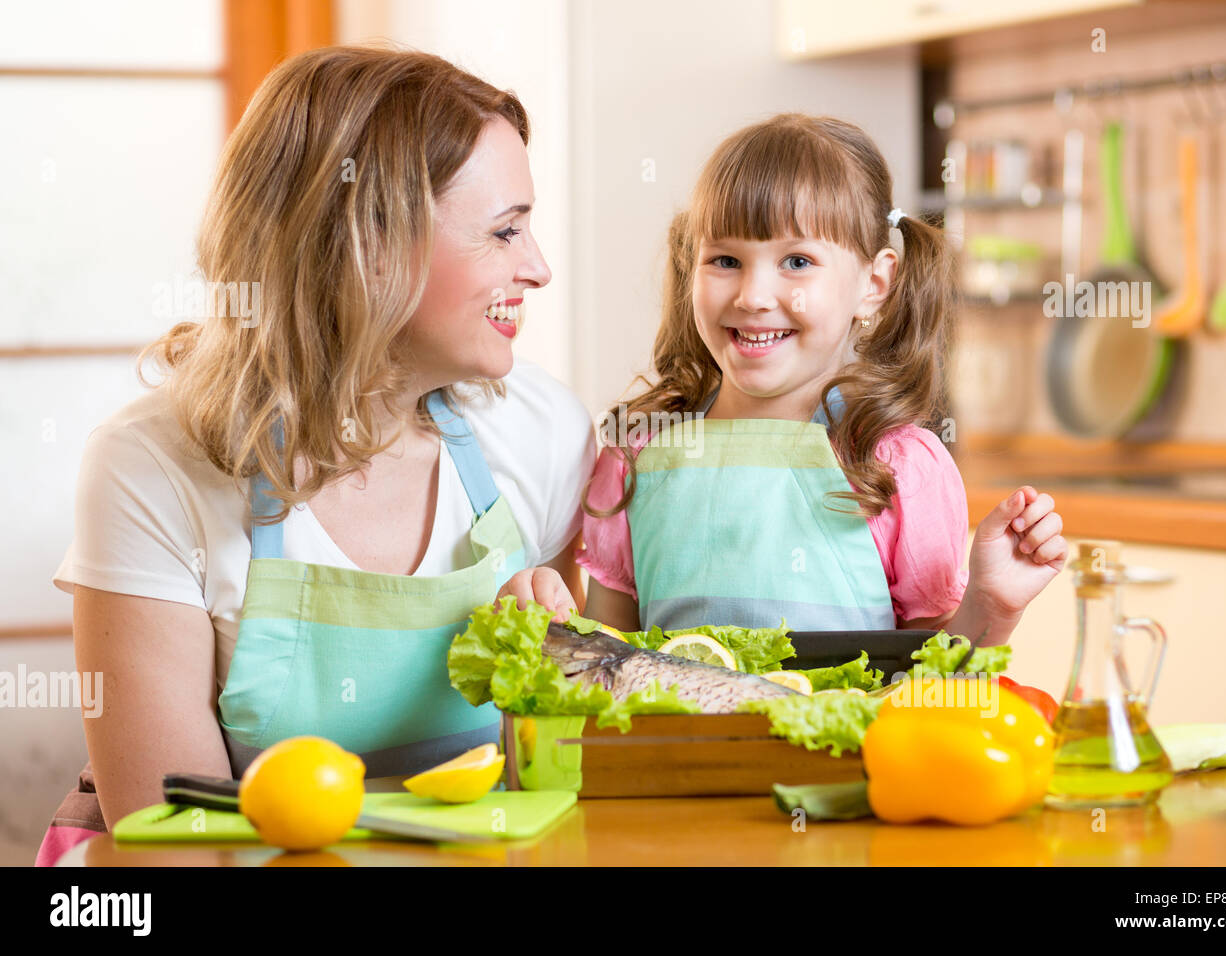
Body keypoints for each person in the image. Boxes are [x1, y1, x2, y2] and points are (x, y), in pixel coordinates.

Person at [36, 46, 595, 866]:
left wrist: (548, 673)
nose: (538, 267)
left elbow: (567, 788)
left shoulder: (540, 429)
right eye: (505, 231)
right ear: (370, 244)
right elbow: (175, 844)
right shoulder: (149, 466)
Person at [552, 113, 1066, 640]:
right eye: (725, 259)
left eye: (797, 261)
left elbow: (934, 686)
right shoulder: (636, 457)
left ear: (874, 283)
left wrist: (991, 606)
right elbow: (606, 665)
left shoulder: (899, 467)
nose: (752, 296)